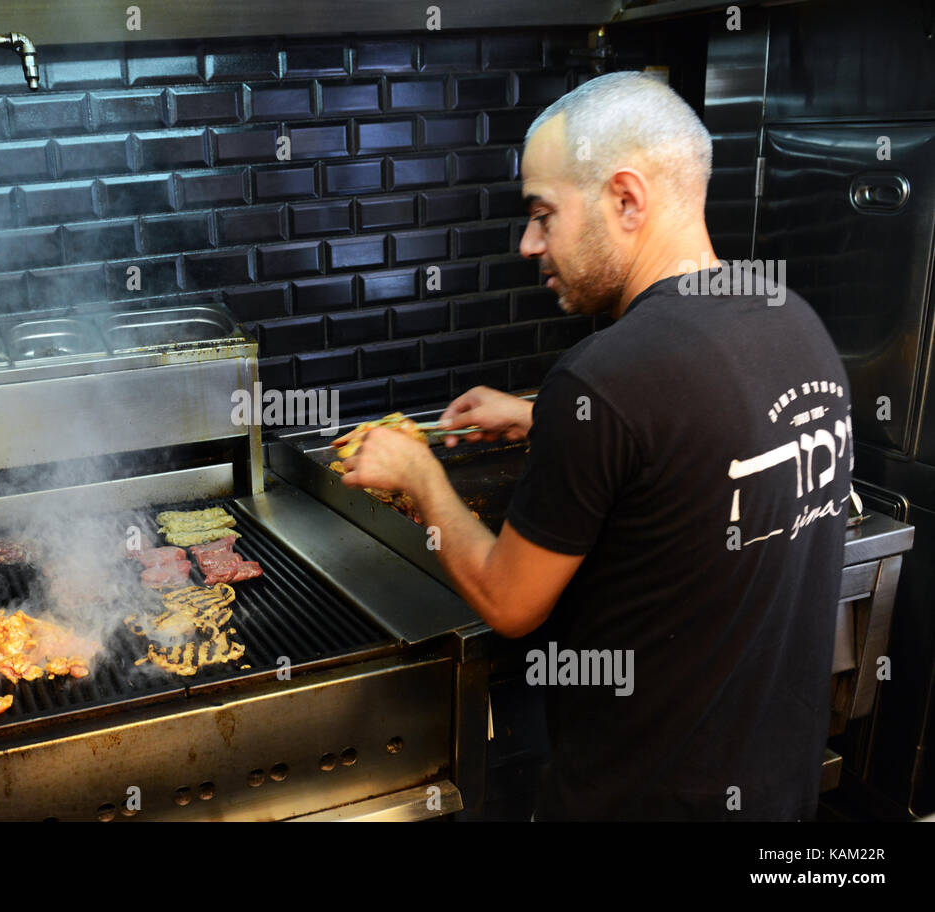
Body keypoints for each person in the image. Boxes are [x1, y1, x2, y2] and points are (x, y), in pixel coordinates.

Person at [336, 71, 852, 821]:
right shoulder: (792, 320)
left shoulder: (605, 378)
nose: (528, 243)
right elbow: (698, 434)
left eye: (543, 214)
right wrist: (543, 415)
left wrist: (421, 477)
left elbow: (510, 603)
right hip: (779, 797)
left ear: (626, 198)